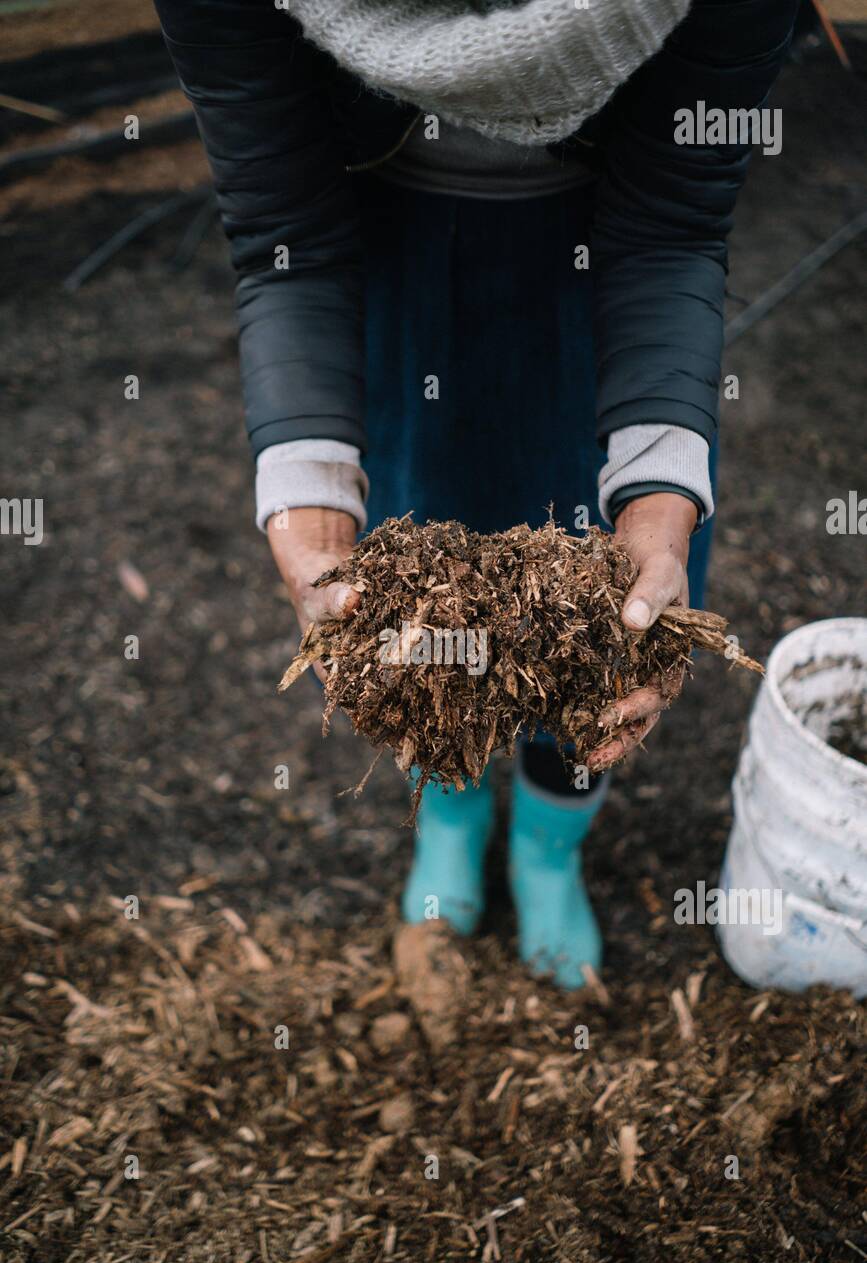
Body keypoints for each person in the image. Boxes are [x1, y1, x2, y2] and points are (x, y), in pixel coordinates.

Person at [154, 0, 797, 987]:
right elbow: (285, 230)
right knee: (410, 579)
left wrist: (660, 500)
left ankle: (548, 846)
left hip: (602, 263)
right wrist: (312, 491)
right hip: (390, 250)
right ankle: (448, 814)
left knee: (612, 613)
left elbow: (671, 230)